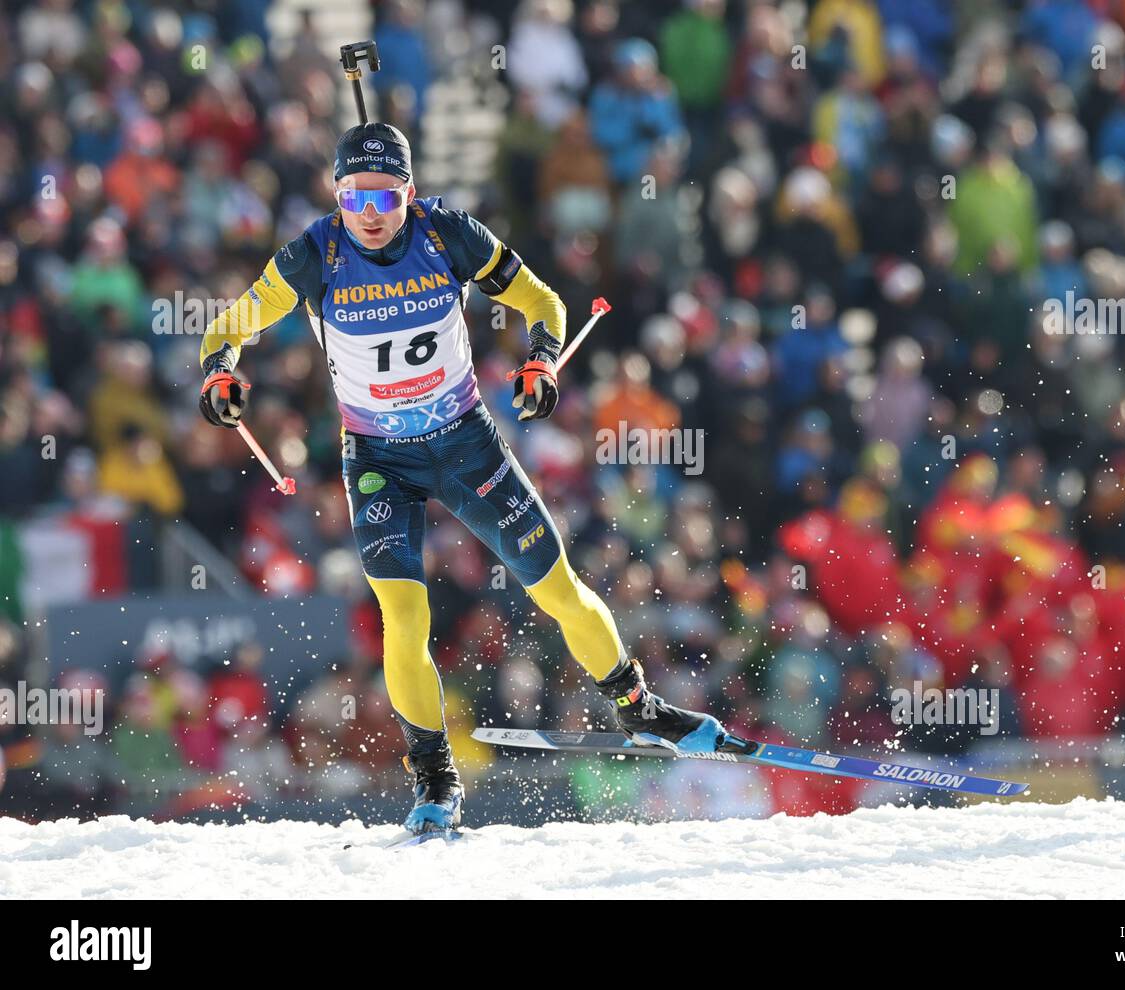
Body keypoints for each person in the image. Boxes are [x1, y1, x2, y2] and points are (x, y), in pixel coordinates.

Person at [196, 122, 736, 835]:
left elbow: (543, 303)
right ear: (335, 194)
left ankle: (643, 710)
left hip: (466, 445)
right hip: (379, 460)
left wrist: (540, 361)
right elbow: (229, 324)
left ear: (409, 193)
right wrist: (220, 371)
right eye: (355, 196)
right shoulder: (313, 254)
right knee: (404, 620)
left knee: (558, 588)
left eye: (386, 197)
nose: (370, 212)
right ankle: (435, 776)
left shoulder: (446, 233)